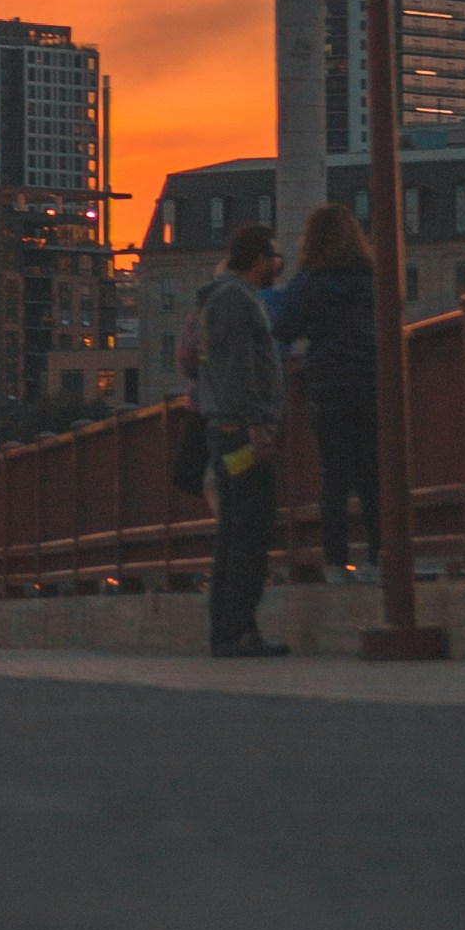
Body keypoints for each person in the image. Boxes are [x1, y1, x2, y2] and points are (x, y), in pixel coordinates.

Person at [269, 199, 383, 582]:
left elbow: (284, 325)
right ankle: (380, 557)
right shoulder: (371, 278)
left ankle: (335, 562)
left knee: (334, 476)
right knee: (372, 473)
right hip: (372, 381)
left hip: (329, 384)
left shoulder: (311, 282)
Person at [195, 218, 289, 656]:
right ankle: (237, 631)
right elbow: (240, 368)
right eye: (274, 257)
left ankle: (229, 631)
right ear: (257, 260)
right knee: (248, 529)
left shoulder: (226, 297)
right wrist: (256, 422)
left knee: (238, 530)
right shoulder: (236, 299)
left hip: (230, 430)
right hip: (240, 434)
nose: (279, 265)